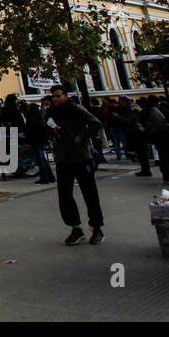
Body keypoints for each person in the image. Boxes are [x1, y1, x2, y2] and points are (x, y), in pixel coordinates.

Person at [46, 85, 105, 246]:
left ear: (66, 96)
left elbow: (96, 124)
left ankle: (97, 227)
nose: (55, 99)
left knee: (89, 193)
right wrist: (53, 134)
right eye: (53, 96)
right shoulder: (52, 113)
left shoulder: (75, 109)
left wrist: (81, 137)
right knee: (64, 195)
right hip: (63, 159)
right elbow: (48, 129)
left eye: (58, 95)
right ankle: (75, 227)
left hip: (81, 157)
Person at [139, 95, 169, 181]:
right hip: (162, 135)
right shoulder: (155, 110)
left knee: (162, 155)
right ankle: (168, 175)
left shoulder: (146, 111)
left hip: (155, 136)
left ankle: (166, 175)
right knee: (167, 156)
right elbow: (161, 123)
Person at [23, 97, 55, 184]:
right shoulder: (40, 118)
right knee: (43, 159)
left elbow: (29, 132)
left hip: (35, 141)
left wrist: (27, 142)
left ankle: (44, 177)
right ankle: (50, 176)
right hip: (41, 140)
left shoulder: (30, 119)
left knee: (40, 160)